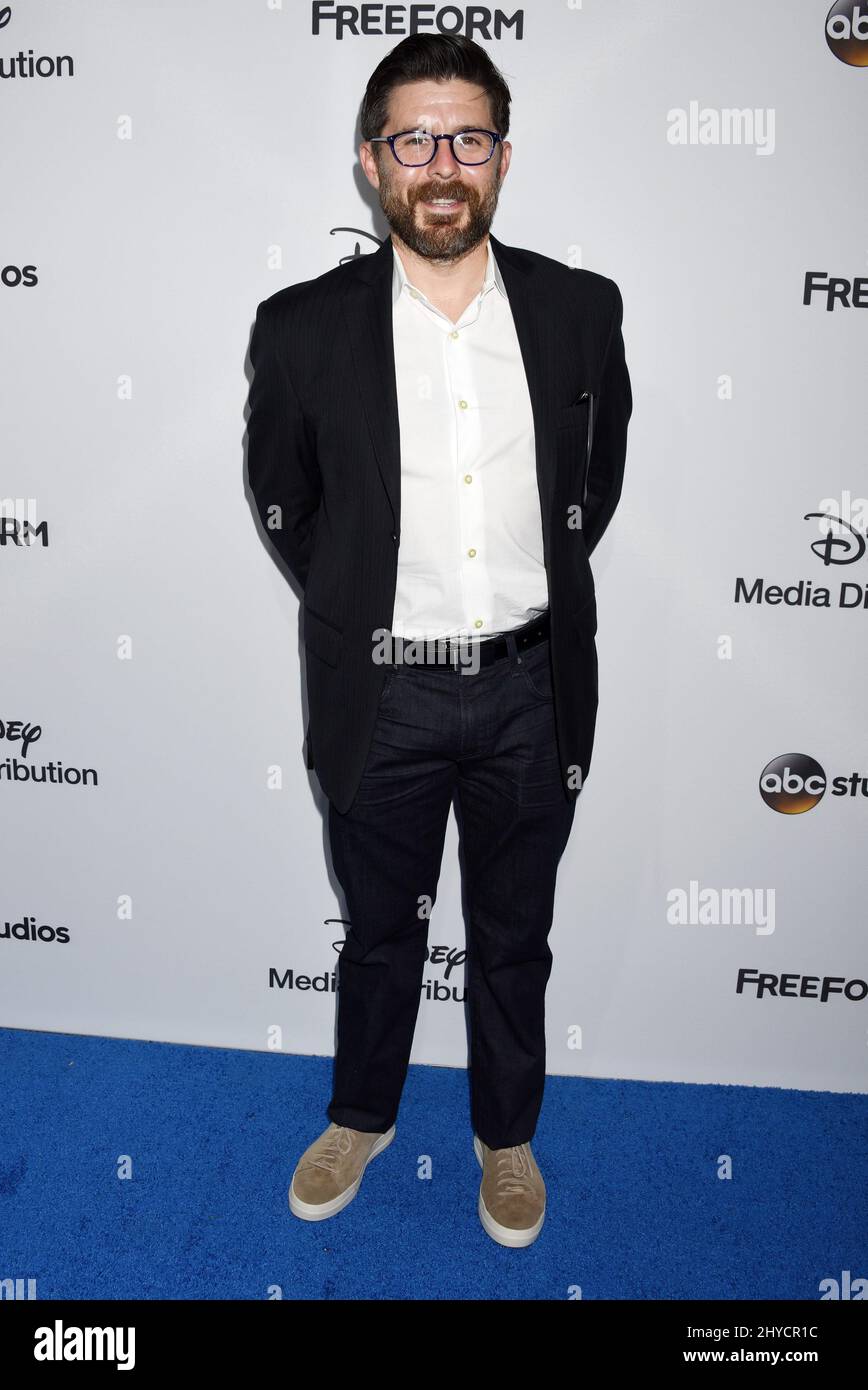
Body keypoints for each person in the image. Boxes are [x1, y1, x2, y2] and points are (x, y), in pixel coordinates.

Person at [246, 33, 632, 1248]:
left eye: (467, 137)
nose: (441, 163)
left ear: (502, 159)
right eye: (413, 139)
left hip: (531, 691)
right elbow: (285, 502)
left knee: (515, 933)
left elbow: (594, 487)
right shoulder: (300, 327)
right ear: (371, 164)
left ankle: (503, 1137)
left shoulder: (579, 310)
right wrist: (368, 607)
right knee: (377, 931)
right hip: (384, 698)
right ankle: (359, 1112)